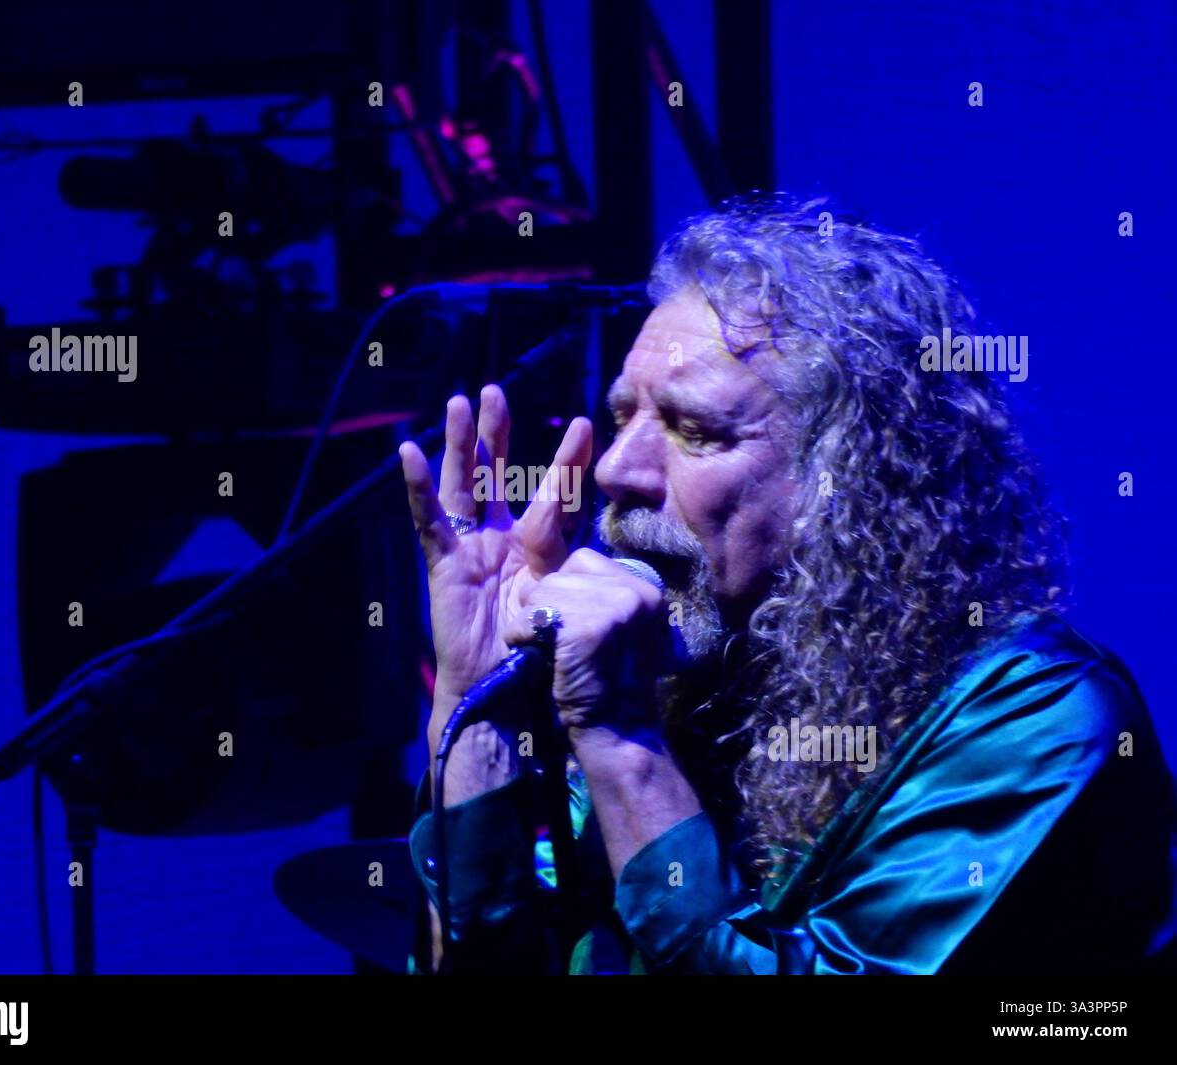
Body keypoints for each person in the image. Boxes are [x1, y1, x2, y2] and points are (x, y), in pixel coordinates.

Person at [397, 198, 1177, 974]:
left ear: (852, 477)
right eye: (623, 416)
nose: (614, 470)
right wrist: (477, 707)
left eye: (693, 430)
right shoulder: (696, 681)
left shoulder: (1035, 719)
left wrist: (623, 741)